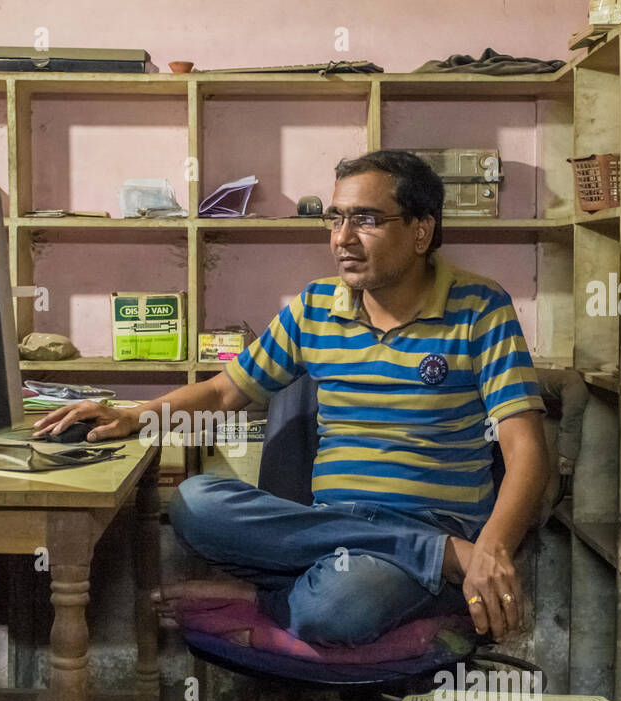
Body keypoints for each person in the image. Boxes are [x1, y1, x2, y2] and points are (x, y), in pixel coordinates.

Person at [33, 150, 548, 645]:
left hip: (432, 521)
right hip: (328, 524)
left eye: (365, 220)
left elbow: (524, 448)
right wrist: (132, 417)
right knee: (195, 503)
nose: (342, 238)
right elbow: (223, 390)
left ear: (421, 230)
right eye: (335, 219)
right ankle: (440, 561)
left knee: (336, 609)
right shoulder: (315, 306)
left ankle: (276, 594)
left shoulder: (481, 308)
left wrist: (493, 547)